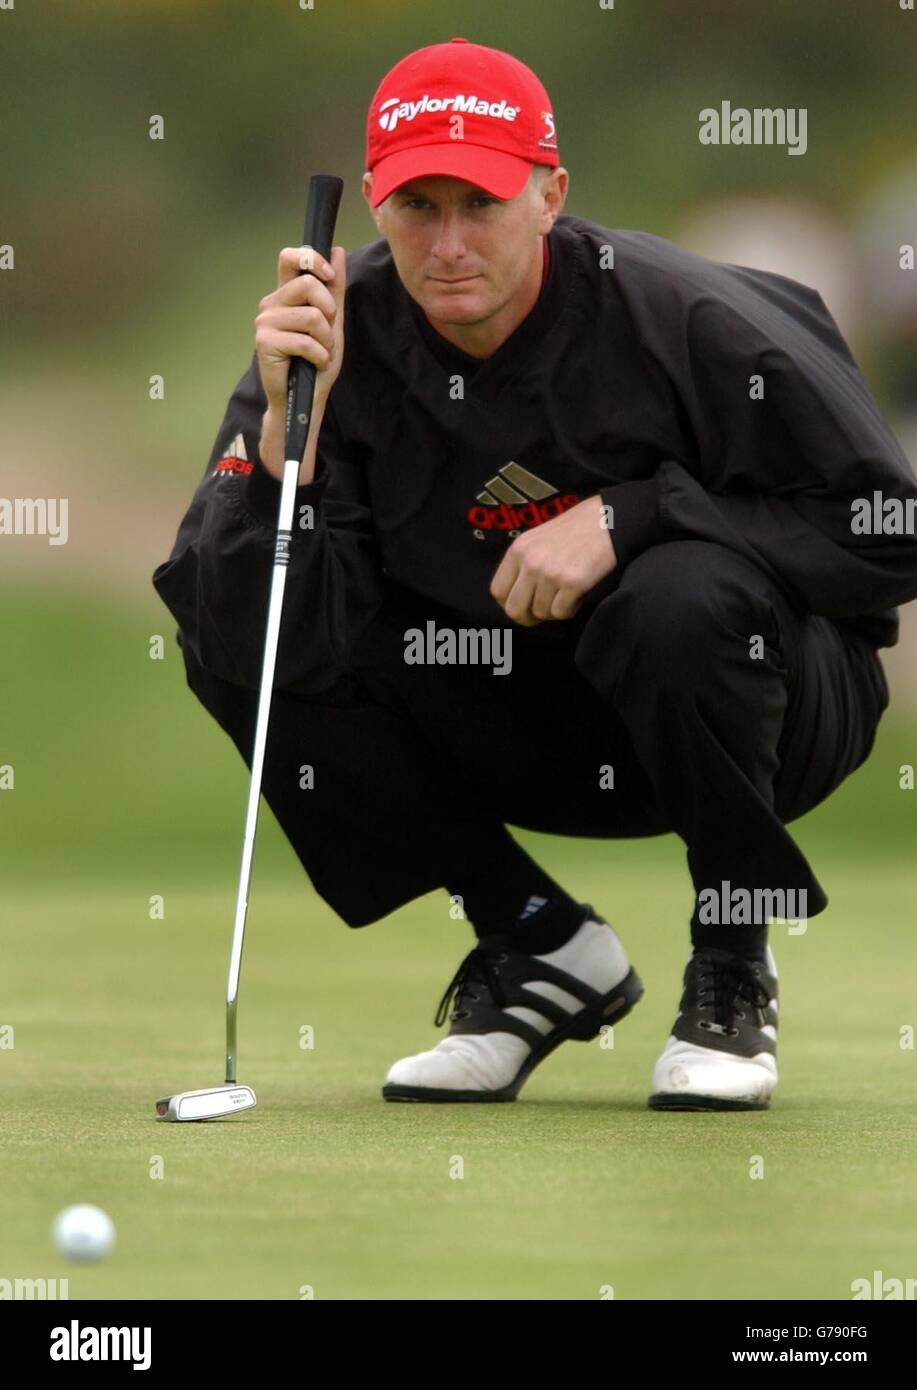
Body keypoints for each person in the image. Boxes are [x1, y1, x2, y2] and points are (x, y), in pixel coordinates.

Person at [152, 37, 917, 1110]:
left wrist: (636, 512)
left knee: (675, 594)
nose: (449, 242)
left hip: (769, 704)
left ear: (550, 193)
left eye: (482, 201)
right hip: (526, 720)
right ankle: (535, 943)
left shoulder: (685, 316)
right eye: (417, 205)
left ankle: (731, 959)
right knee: (226, 603)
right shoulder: (329, 341)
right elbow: (241, 637)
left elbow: (888, 530)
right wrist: (285, 446)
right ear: (373, 206)